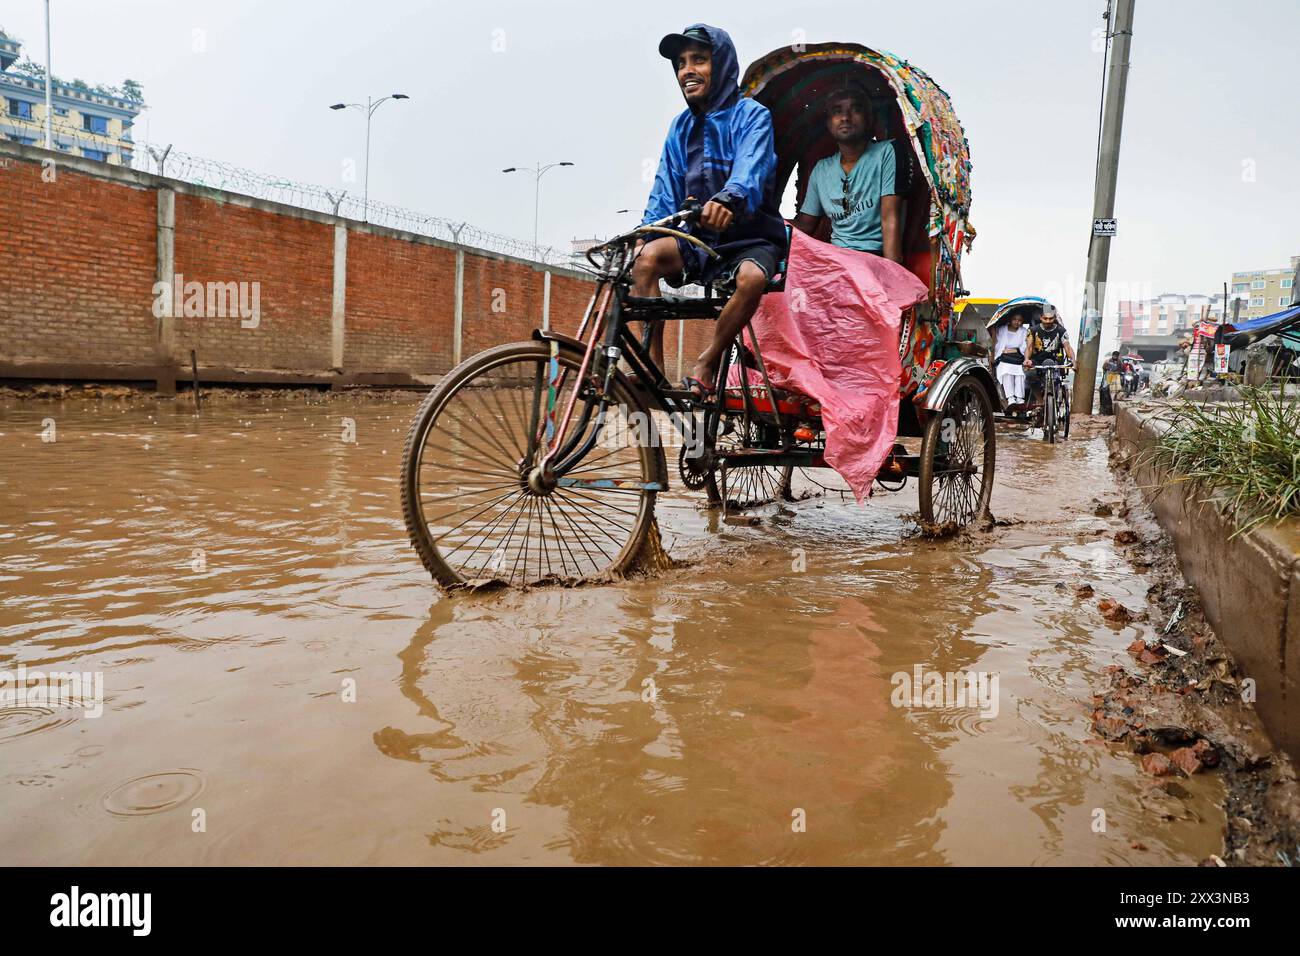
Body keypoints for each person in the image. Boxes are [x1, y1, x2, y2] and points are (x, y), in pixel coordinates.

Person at [633, 24, 789, 399]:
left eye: (699, 60)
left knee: (751, 279)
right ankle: (652, 371)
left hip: (750, 235)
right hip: (699, 239)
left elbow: (750, 170)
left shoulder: (752, 117)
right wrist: (643, 232)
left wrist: (728, 200)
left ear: (721, 65)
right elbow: (665, 190)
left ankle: (708, 359)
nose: (687, 70)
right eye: (681, 63)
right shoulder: (680, 127)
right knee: (645, 260)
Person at [791, 85, 909, 264]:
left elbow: (890, 219)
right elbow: (805, 224)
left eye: (855, 109)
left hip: (873, 258)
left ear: (869, 119)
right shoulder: (821, 169)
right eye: (837, 111)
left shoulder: (887, 152)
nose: (845, 117)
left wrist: (894, 277)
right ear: (829, 123)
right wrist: (768, 223)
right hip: (837, 260)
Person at [1023, 305, 1076, 407]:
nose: (1048, 321)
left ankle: (1053, 401)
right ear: (1041, 317)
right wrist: (1026, 359)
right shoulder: (1032, 330)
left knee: (1055, 375)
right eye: (1045, 318)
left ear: (1054, 318)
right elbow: (1029, 347)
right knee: (1030, 376)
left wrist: (1073, 361)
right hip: (1037, 361)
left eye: (1050, 318)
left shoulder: (1061, 331)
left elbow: (1068, 347)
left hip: (1054, 361)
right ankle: (1040, 400)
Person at [990, 312, 1029, 413]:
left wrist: (1013, 350)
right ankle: (1010, 398)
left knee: (1020, 375)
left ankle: (1020, 399)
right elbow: (996, 342)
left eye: (1020, 320)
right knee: (1006, 372)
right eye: (1015, 319)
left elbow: (1025, 346)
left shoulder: (1024, 331)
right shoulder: (1002, 329)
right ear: (1010, 320)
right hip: (1003, 358)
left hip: (1018, 357)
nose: (1017, 322)